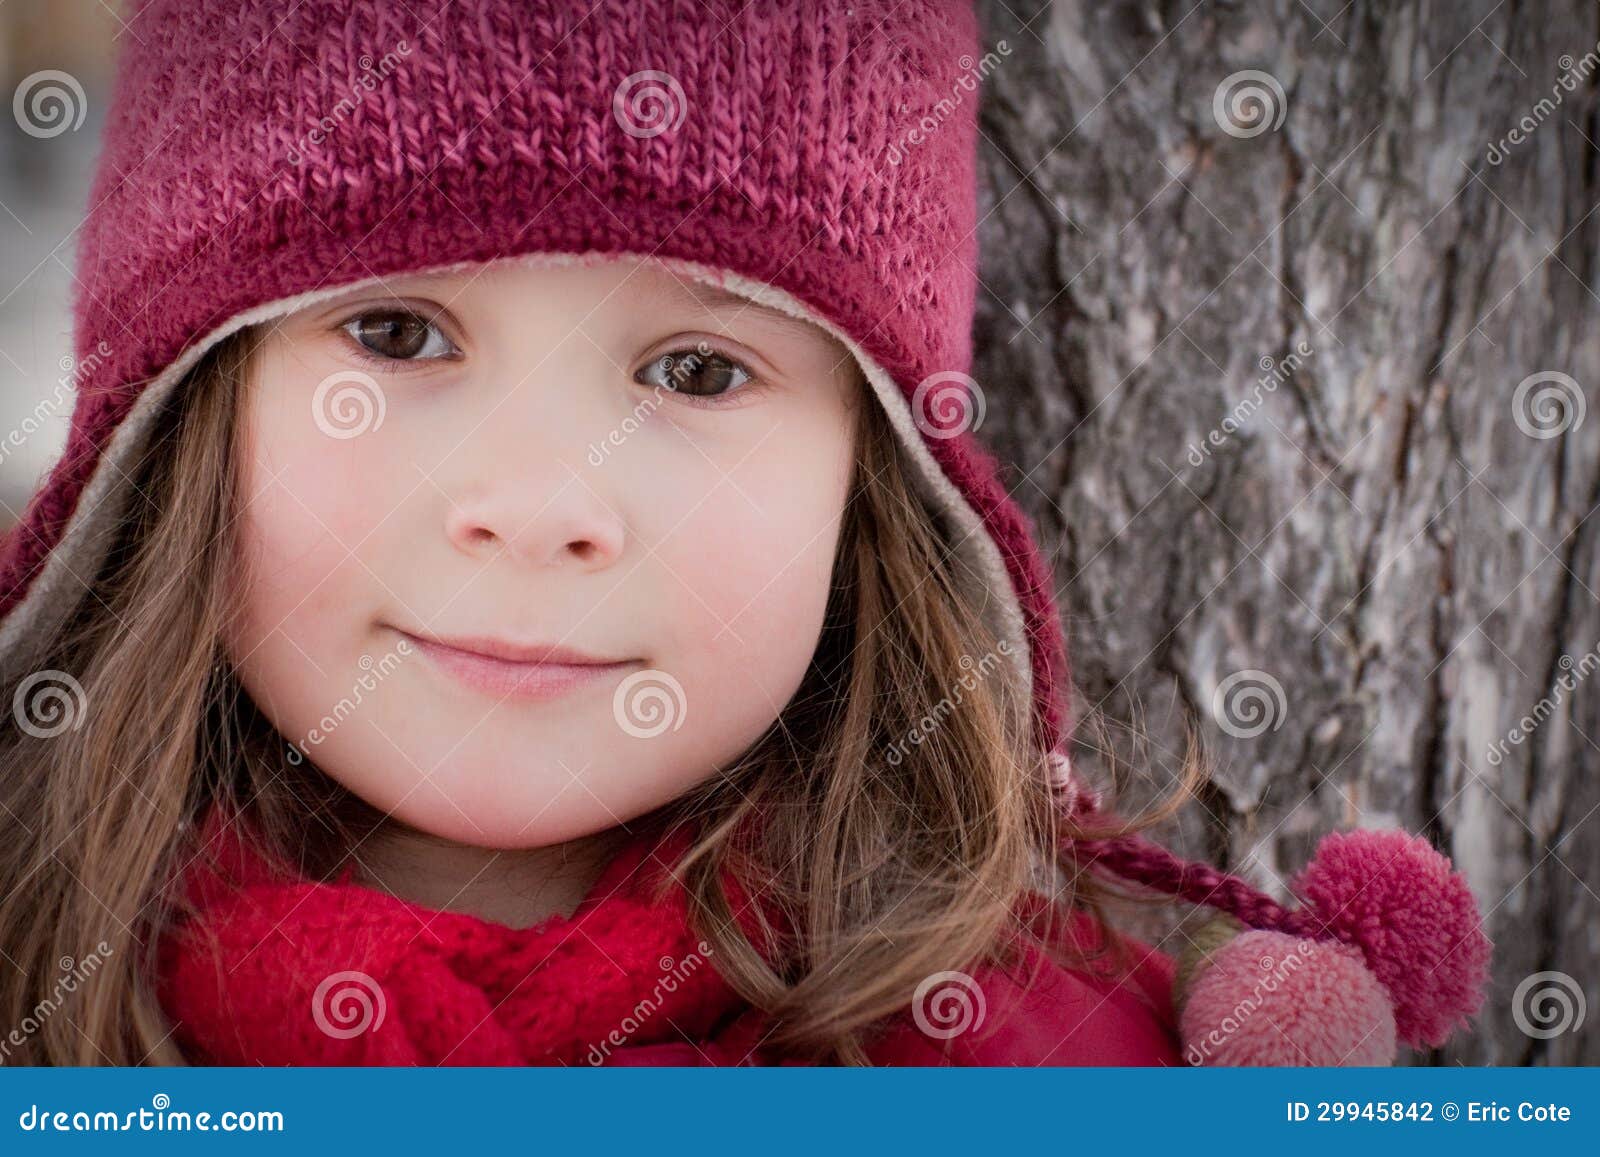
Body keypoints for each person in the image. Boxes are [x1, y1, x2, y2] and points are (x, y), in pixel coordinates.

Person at [0, 0, 1488, 1066]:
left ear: (872, 484)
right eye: (398, 333)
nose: (541, 506)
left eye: (699, 371)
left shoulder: (1022, 1061)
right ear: (181, 416)